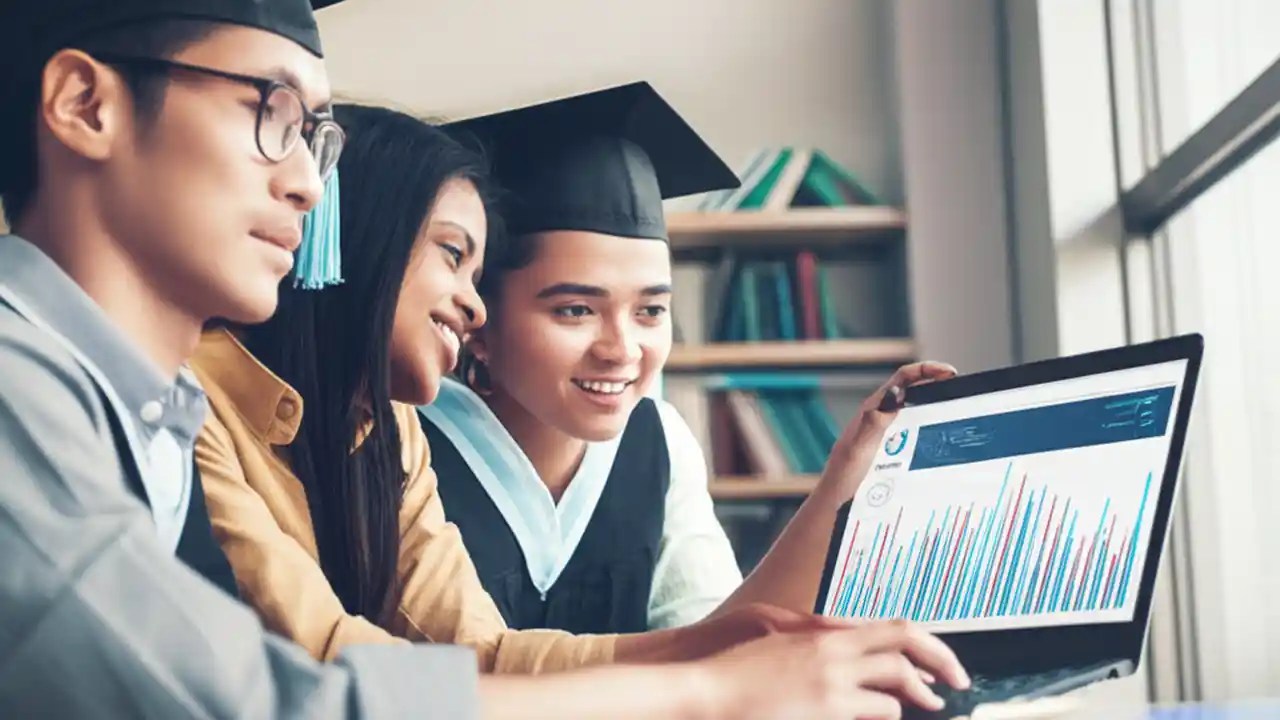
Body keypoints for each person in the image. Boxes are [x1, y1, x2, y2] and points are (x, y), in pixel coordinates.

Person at [189, 101, 970, 716]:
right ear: (361, 244)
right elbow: (339, 667)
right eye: (455, 258)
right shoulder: (196, 404)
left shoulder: (383, 426)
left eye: (651, 311)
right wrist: (702, 686)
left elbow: (473, 648)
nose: (469, 306)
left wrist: (720, 643)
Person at [419, 82, 960, 635]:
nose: (622, 349)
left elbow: (713, 637)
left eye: (651, 311)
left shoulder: (659, 441)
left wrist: (846, 474)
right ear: (477, 320)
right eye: (577, 309)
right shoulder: (403, 444)